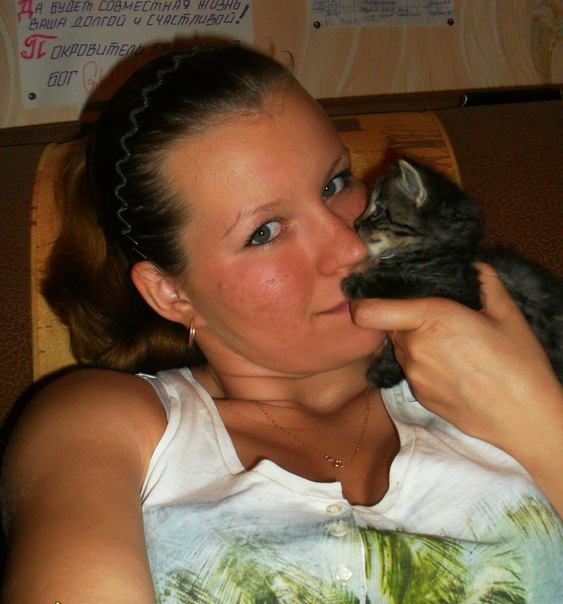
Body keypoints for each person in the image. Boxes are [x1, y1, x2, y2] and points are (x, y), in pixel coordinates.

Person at [1, 44, 561, 603]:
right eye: (265, 232)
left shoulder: (508, 354)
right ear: (172, 293)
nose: (349, 247)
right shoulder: (113, 425)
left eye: (334, 185)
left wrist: (534, 415)